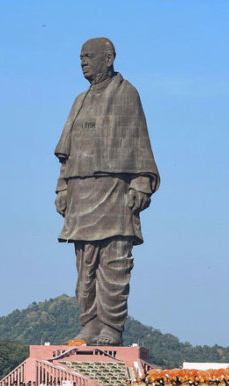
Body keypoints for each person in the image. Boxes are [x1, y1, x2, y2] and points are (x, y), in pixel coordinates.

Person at [54, 37, 160, 346]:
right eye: (80, 57)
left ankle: (111, 327)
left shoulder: (127, 94)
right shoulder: (79, 100)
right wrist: (62, 188)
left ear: (109, 58)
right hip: (80, 191)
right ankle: (89, 323)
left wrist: (141, 182)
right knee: (85, 266)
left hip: (114, 191)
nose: (83, 61)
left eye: (89, 56)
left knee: (114, 262)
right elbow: (66, 155)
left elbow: (139, 143)